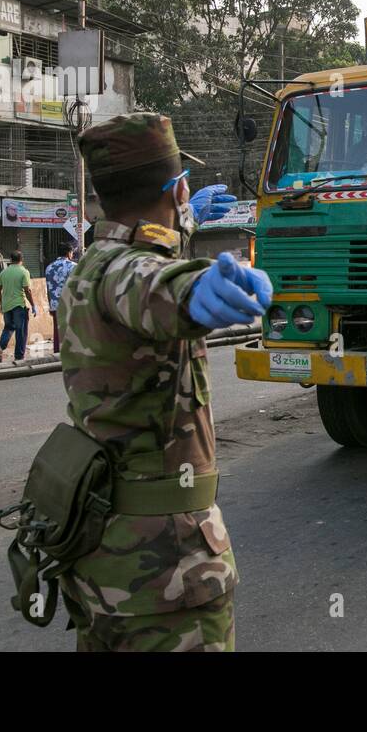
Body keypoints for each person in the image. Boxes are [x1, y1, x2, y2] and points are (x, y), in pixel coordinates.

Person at [56, 112, 271, 651]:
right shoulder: (126, 271)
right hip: (167, 575)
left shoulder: (88, 267)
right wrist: (201, 290)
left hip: (103, 560)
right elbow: (156, 287)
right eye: (186, 190)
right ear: (178, 192)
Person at [0, 251, 38, 362]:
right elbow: (27, 290)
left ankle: (0, 347)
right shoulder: (24, 272)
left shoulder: (3, 272)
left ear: (10, 260)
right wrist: (33, 305)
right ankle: (19, 356)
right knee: (21, 331)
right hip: (19, 305)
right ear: (21, 260)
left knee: (8, 328)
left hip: (6, 306)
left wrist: (1, 302)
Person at [44, 244, 76, 354]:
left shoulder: (49, 267)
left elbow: (48, 288)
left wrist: (50, 304)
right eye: (72, 252)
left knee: (57, 331)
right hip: (69, 303)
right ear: (68, 253)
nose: (72, 255)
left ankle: (57, 354)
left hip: (54, 304)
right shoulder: (73, 266)